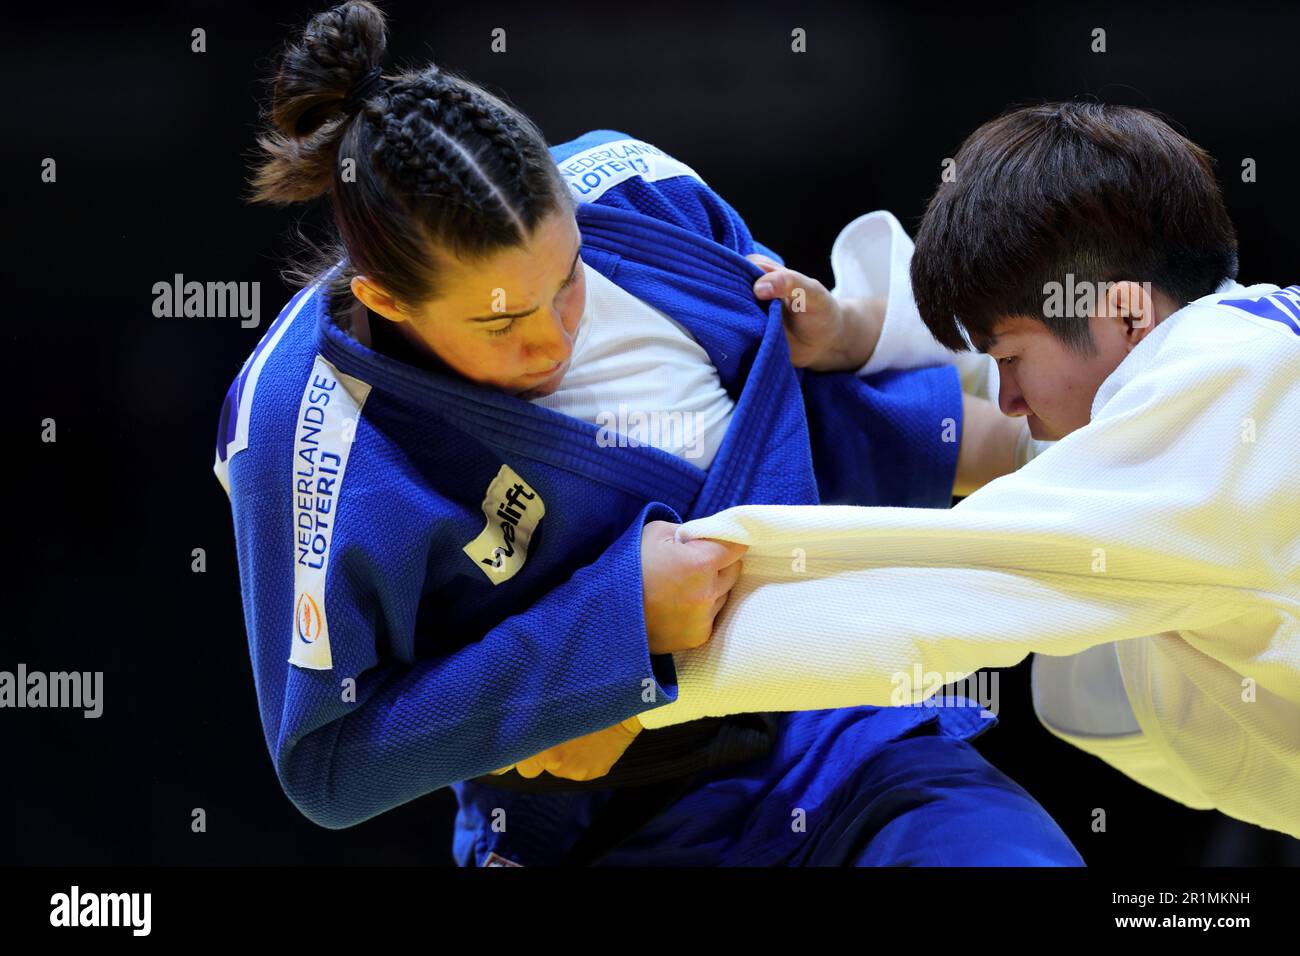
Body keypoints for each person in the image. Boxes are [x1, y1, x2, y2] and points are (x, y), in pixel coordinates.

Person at [213, 1, 1082, 865]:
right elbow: (330, 765)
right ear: (386, 303)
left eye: (566, 280)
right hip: (594, 824)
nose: (552, 337)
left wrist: (1045, 453)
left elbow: (809, 420)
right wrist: (615, 628)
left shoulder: (639, 193)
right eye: (502, 321)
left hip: (833, 731)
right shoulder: (303, 424)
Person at [638, 102, 1300, 840]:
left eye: (1011, 359)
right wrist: (856, 329)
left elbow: (928, 593)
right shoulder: (1244, 348)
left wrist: (618, 665)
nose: (1009, 398)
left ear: (1125, 317)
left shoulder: (1222, 404)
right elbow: (1026, 386)